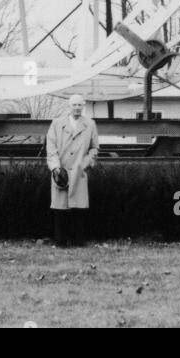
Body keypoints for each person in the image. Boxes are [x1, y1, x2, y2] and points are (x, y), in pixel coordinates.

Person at [45, 94, 99, 247]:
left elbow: (95, 148)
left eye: (79, 105)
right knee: (60, 209)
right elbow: (51, 148)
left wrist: (85, 163)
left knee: (78, 209)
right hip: (60, 173)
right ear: (69, 106)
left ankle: (79, 241)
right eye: (74, 105)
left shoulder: (90, 124)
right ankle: (60, 241)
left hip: (79, 172)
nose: (77, 108)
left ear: (83, 106)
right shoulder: (56, 124)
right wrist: (55, 168)